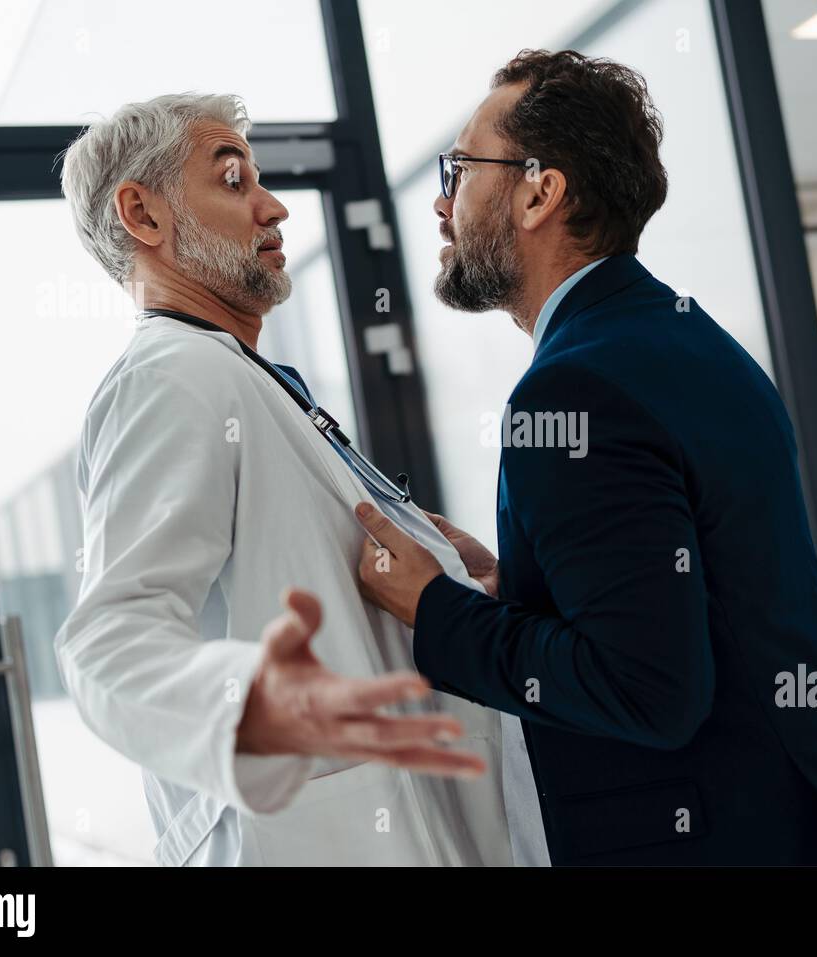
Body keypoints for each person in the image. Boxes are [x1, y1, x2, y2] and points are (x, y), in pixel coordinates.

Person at [355, 50, 817, 866]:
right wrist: (516, 587)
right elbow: (695, 597)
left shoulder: (572, 389)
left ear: (541, 191)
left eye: (462, 168)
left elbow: (648, 690)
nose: (442, 201)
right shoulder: (682, 338)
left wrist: (439, 610)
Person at [55, 93, 524, 866]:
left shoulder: (242, 376)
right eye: (234, 180)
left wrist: (454, 577)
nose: (273, 208)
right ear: (142, 215)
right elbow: (109, 643)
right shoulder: (173, 378)